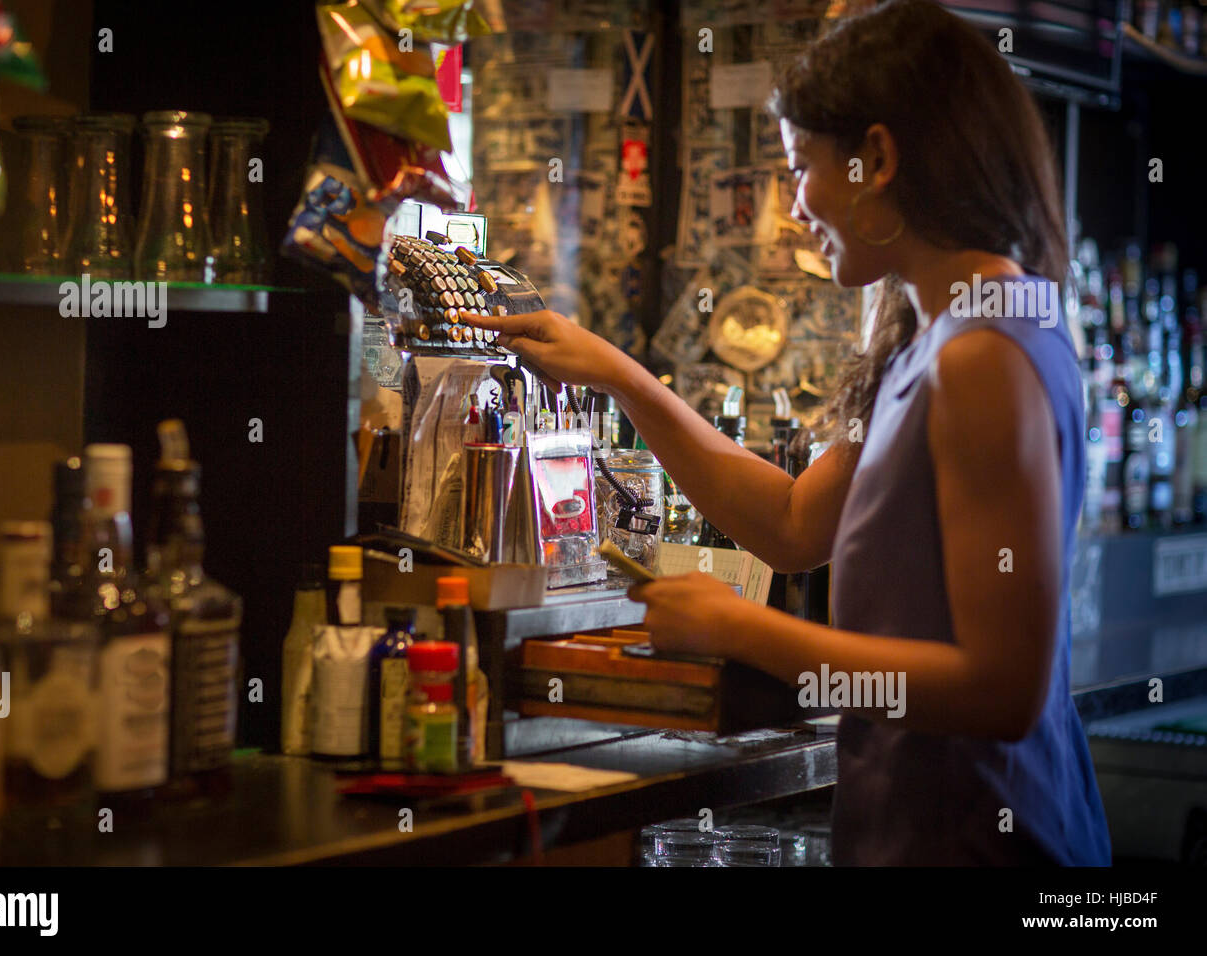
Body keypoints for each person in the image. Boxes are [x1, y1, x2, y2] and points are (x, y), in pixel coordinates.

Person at [465, 0, 1111, 866]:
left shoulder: (982, 354)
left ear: (877, 157)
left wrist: (740, 631)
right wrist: (614, 373)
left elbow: (1002, 693)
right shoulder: (944, 336)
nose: (795, 206)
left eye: (801, 165)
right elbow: (794, 526)